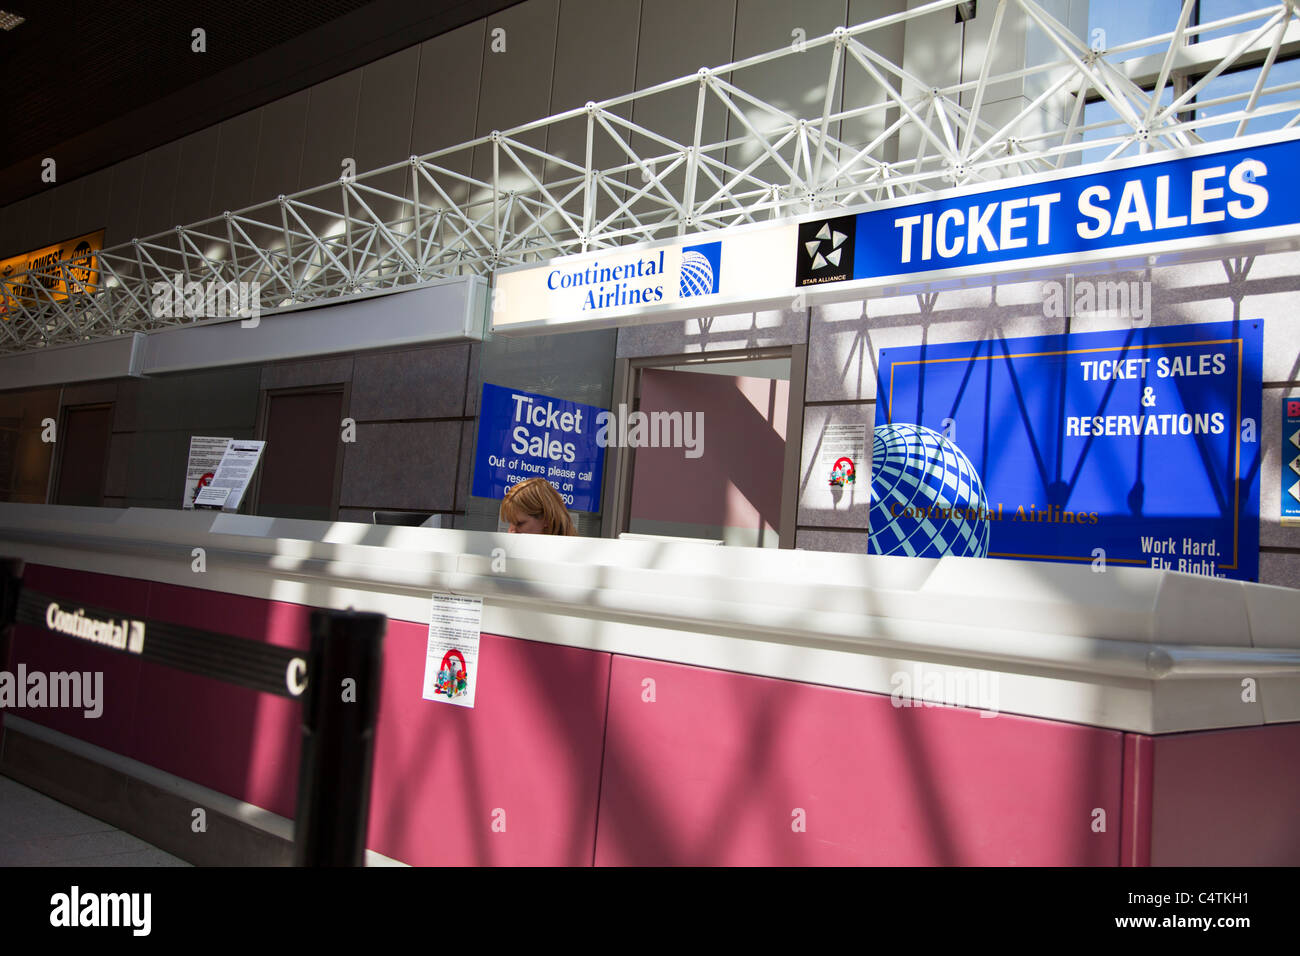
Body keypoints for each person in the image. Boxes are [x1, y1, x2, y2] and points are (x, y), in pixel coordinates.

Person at [499, 476, 578, 535]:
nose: (511, 532)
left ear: (546, 519)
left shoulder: (575, 555)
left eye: (520, 523)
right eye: (510, 523)